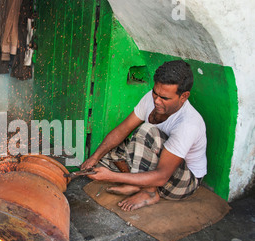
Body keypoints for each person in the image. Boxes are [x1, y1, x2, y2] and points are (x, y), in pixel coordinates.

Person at [81, 60, 207, 212]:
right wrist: (94, 157)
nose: (157, 101)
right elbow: (123, 129)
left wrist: (111, 177)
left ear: (184, 96)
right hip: (155, 164)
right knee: (107, 153)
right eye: (155, 93)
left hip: (182, 182)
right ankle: (135, 182)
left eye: (164, 98)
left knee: (147, 131)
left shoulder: (188, 124)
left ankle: (148, 192)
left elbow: (162, 176)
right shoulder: (151, 98)